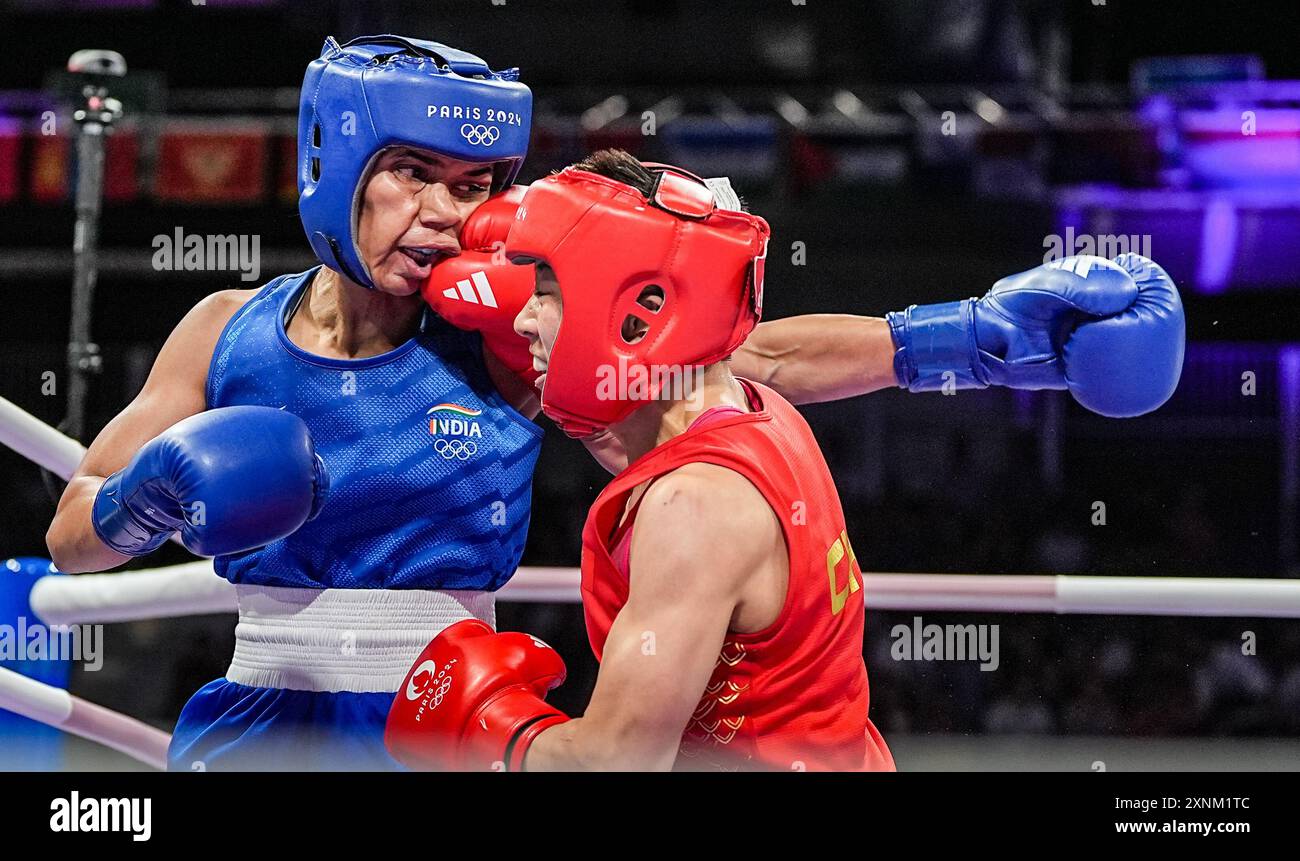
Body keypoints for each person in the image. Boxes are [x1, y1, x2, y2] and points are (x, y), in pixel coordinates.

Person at [382, 151, 1184, 771]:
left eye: (548, 288)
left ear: (630, 312)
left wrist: (494, 731)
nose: (523, 317)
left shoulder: (693, 508)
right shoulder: (755, 410)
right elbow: (763, 353)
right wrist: (970, 338)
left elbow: (615, 758)